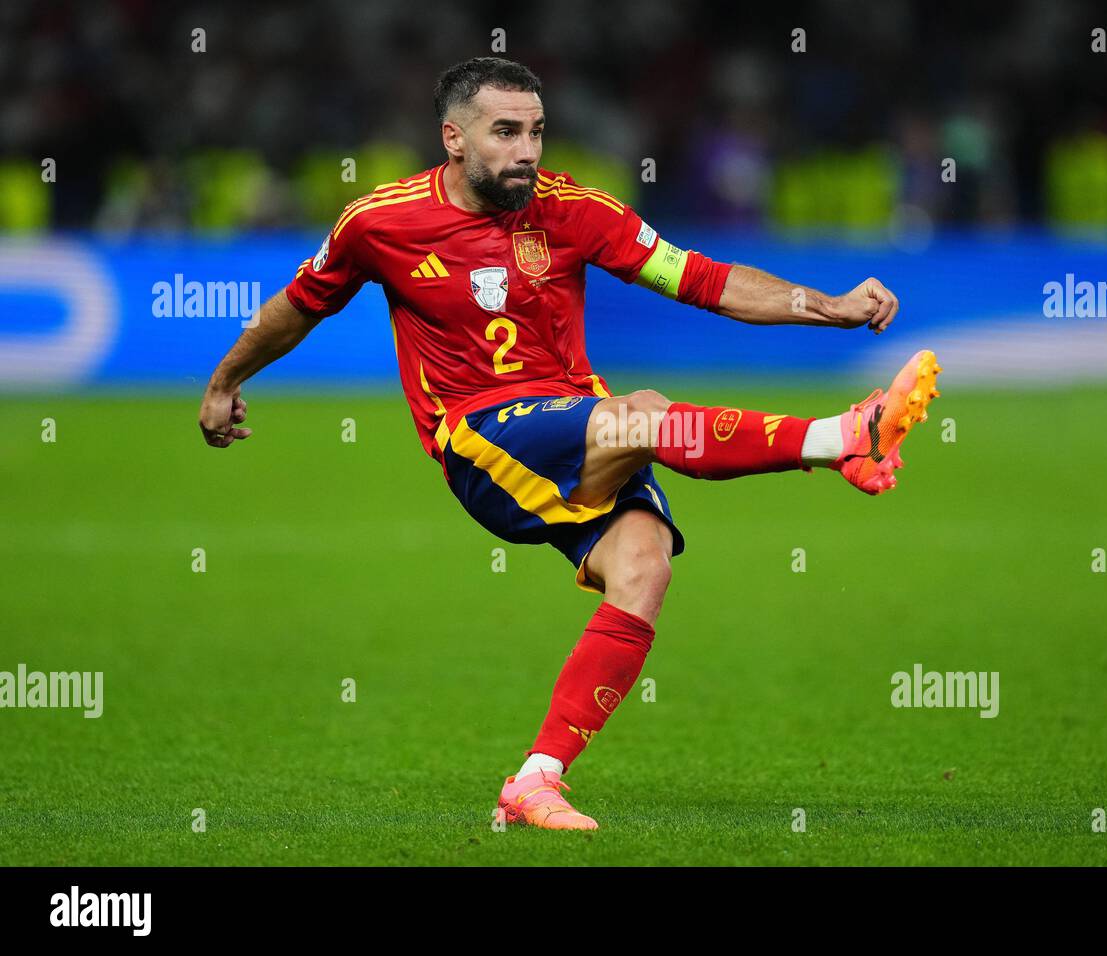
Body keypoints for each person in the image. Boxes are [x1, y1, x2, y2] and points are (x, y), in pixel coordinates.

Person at [198, 57, 941, 830]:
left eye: (538, 132)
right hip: (479, 437)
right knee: (643, 413)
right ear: (454, 138)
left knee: (644, 567)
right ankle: (842, 437)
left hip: (575, 423)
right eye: (506, 132)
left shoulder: (576, 211)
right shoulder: (379, 222)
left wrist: (828, 305)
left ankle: (535, 780)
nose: (527, 151)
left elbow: (700, 278)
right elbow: (298, 305)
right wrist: (224, 382)